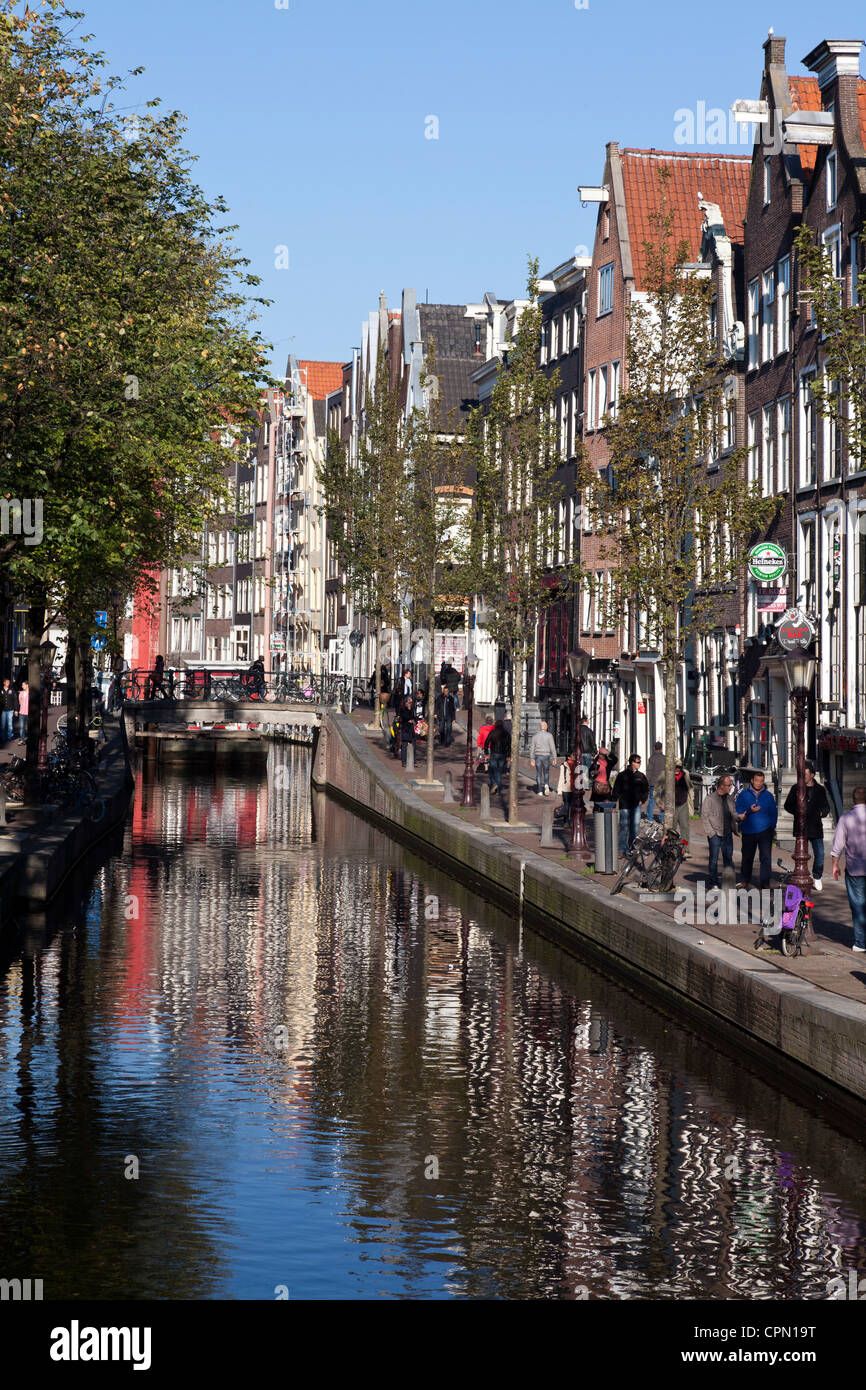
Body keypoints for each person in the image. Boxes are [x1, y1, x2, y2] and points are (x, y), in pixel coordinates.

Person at [783, 760, 831, 891]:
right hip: (801, 827)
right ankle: (801, 874)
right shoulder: (795, 788)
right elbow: (787, 805)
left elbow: (826, 806)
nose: (802, 777)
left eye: (805, 774)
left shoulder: (820, 790)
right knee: (801, 854)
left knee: (820, 854)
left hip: (815, 826)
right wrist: (798, 811)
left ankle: (817, 876)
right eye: (801, 775)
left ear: (812, 775)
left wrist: (822, 812)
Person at [831, 787, 866, 953]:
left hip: (855, 869)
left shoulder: (845, 818)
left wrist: (835, 864)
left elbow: (838, 844)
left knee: (858, 906)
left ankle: (861, 942)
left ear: (853, 800)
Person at [701, 774, 745, 889]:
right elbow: (704, 817)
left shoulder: (729, 799)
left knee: (728, 859)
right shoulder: (710, 799)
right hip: (715, 834)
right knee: (714, 859)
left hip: (727, 833)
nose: (731, 787)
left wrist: (739, 817)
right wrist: (711, 833)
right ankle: (713, 882)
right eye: (729, 785)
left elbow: (733, 814)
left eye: (731, 785)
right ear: (721, 786)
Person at [735, 770, 777, 890]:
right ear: (752, 781)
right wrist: (749, 811)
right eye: (757, 780)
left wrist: (771, 828)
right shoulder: (743, 795)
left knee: (766, 858)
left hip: (765, 832)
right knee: (747, 857)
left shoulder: (768, 796)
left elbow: (773, 813)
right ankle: (744, 880)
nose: (759, 783)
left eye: (761, 781)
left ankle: (765, 882)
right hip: (748, 830)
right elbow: (739, 811)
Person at [612, 753, 649, 855]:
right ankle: (621, 849)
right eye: (638, 762)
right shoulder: (622, 775)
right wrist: (614, 804)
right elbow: (616, 790)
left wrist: (643, 799)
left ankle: (631, 848)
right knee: (624, 827)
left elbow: (646, 790)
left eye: (640, 762)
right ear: (632, 763)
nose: (640, 764)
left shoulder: (641, 776)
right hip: (624, 805)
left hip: (636, 806)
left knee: (635, 828)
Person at [484, 719, 511, 798]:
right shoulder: (506, 733)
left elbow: (486, 743)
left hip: (494, 754)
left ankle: (494, 783)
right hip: (503, 754)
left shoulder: (493, 732)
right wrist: (509, 755)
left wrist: (486, 753)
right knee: (499, 771)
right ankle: (498, 789)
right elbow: (509, 745)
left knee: (491, 770)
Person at [530, 721, 557, 797]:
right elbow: (552, 747)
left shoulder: (535, 736)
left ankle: (539, 791)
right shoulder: (549, 735)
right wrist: (554, 757)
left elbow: (532, 748)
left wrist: (532, 758)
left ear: (540, 727)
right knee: (546, 772)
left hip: (538, 756)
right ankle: (546, 784)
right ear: (546, 727)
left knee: (538, 773)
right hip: (546, 756)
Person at [646, 742, 665, 822]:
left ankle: (649, 818)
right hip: (663, 783)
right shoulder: (665, 758)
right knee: (662, 801)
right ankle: (662, 818)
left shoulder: (652, 758)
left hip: (653, 783)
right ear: (661, 748)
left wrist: (647, 782)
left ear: (654, 748)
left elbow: (649, 771)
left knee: (652, 800)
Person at [397, 694, 416, 767]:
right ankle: (404, 762)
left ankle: (413, 761)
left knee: (414, 745)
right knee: (404, 745)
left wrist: (414, 721)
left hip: (411, 729)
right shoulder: (403, 709)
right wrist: (408, 719)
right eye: (409, 701)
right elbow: (404, 716)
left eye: (411, 702)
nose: (410, 703)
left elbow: (414, 717)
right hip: (405, 729)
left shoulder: (412, 708)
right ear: (406, 701)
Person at [0, 678, 17, 745]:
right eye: (7, 682)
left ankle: (10, 737)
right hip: (3, 710)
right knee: (2, 725)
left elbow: (15, 700)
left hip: (10, 710)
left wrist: (16, 710)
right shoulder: (1, 690)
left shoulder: (12, 690)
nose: (8, 684)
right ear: (4, 683)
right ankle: (2, 738)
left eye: (9, 683)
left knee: (10, 725)